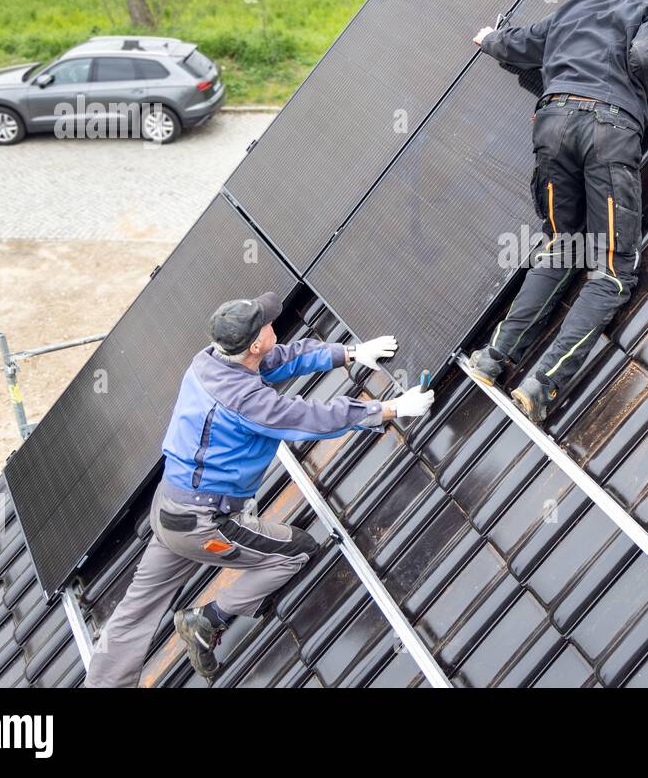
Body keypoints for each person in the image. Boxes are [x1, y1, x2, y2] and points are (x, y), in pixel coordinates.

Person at [83, 291, 434, 686]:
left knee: (135, 612)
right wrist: (388, 409)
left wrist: (349, 353)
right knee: (295, 552)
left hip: (169, 508)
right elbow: (309, 417)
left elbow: (280, 359)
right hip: (204, 523)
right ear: (252, 343)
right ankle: (208, 619)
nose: (273, 326)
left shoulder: (210, 360)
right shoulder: (246, 401)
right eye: (266, 325)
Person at [466, 0, 648, 421]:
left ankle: (493, 358)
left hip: (552, 124)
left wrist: (486, 37)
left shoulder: (573, 7)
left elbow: (517, 44)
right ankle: (542, 385)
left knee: (563, 244)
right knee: (611, 271)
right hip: (609, 131)